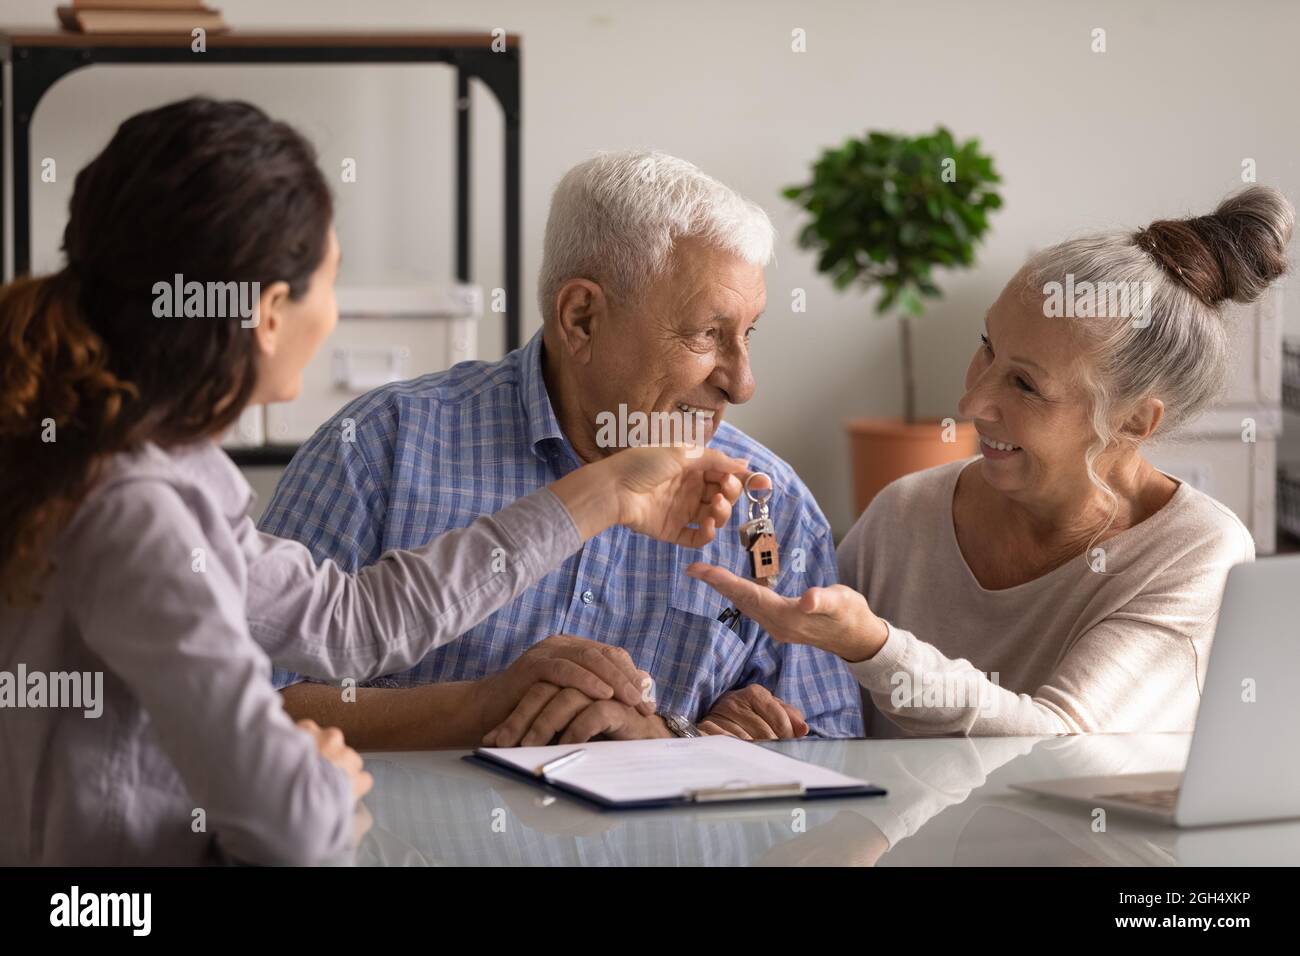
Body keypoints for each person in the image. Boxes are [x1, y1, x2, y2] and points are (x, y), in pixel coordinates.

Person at [0, 99, 748, 865]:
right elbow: (289, 822)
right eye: (332, 280)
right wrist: (320, 777)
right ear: (267, 315)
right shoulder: (140, 513)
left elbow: (352, 622)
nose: (334, 313)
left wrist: (607, 492)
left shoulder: (164, 469)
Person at [264, 150, 865, 746]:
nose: (743, 383)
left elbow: (838, 762)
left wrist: (682, 744)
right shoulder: (378, 449)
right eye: (707, 335)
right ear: (581, 319)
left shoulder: (772, 508)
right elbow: (243, 705)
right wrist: (477, 708)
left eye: (747, 334)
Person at [689, 186, 1291, 737]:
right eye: (987, 349)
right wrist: (746, 710)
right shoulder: (906, 514)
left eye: (1026, 386)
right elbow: (816, 709)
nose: (972, 402)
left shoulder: (1196, 551)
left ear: (1134, 421)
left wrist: (874, 647)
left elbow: (1060, 746)